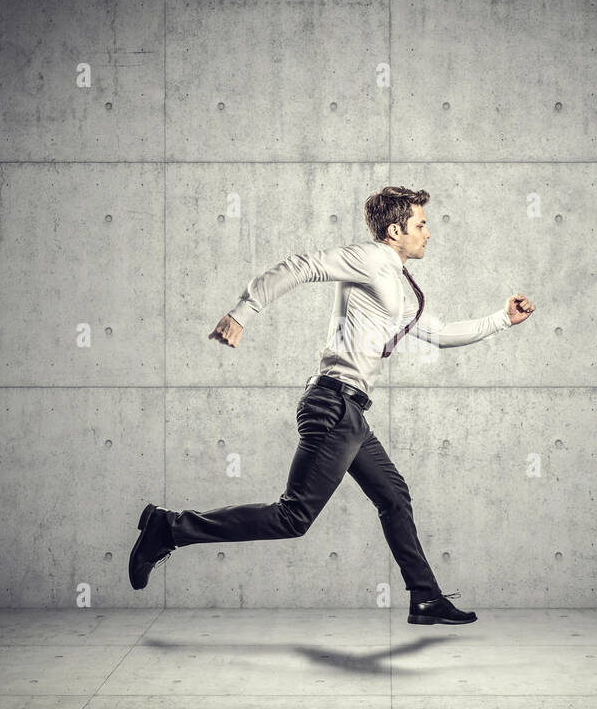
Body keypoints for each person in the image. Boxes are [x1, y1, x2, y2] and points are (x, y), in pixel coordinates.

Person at [129, 186, 535, 624]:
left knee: (394, 496)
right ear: (394, 230)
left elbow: (437, 333)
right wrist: (243, 312)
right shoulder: (370, 258)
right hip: (334, 406)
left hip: (350, 413)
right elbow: (302, 265)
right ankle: (168, 528)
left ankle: (425, 598)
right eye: (421, 225)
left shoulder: (393, 284)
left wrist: (502, 320)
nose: (428, 233)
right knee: (293, 517)